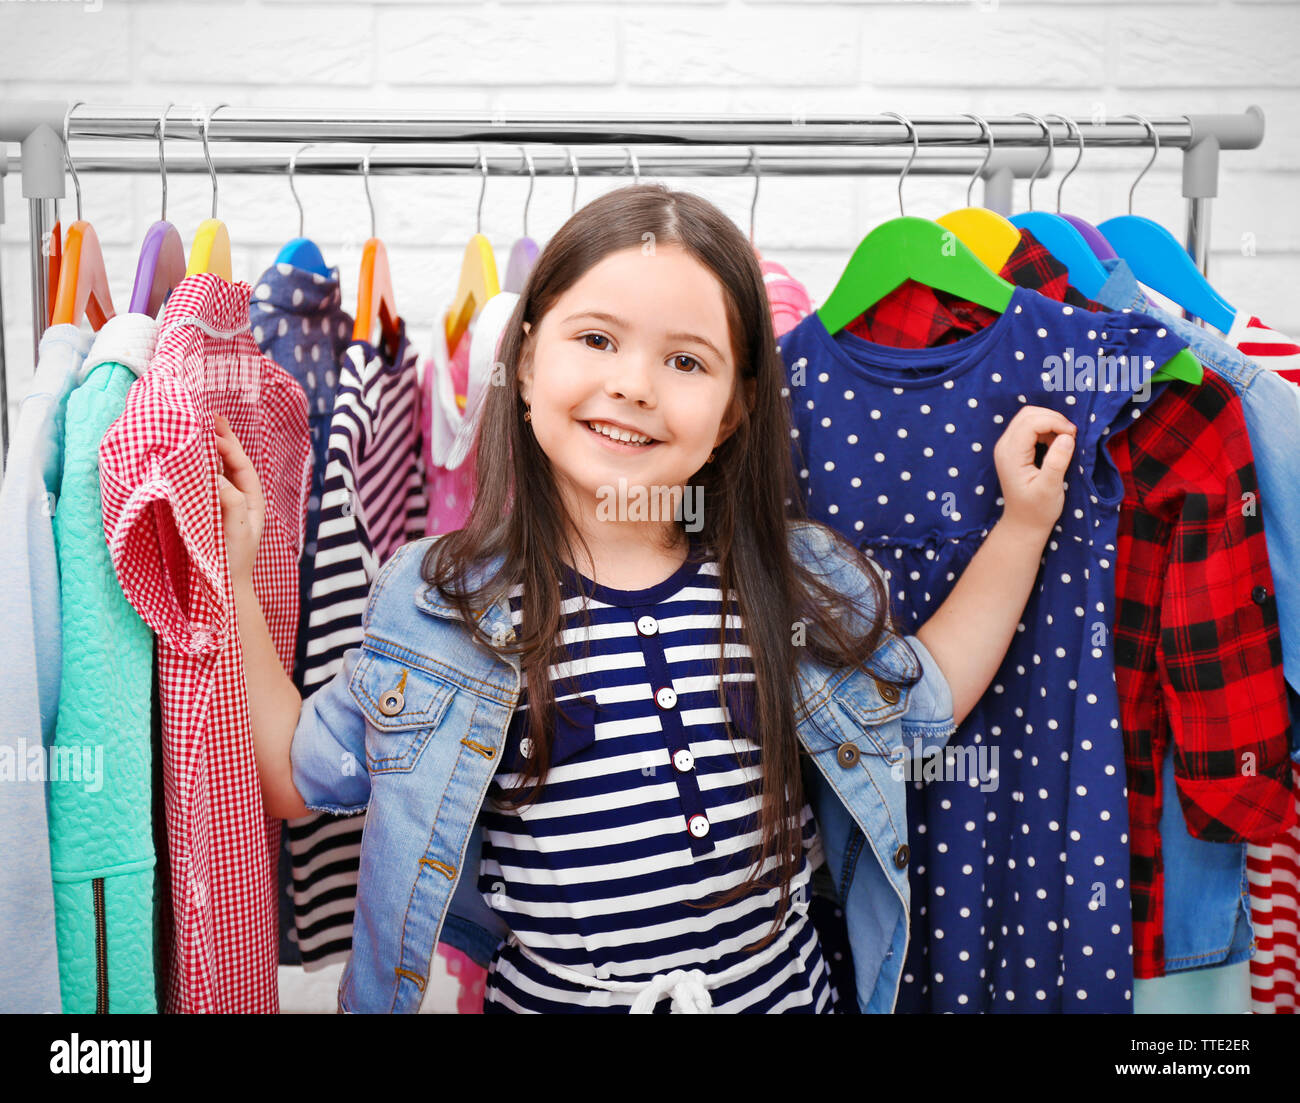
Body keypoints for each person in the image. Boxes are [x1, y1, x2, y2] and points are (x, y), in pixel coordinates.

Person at [216, 183, 1078, 1014]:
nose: (634, 383)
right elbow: (295, 774)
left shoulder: (790, 587)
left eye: (684, 359)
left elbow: (921, 707)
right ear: (520, 363)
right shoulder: (443, 609)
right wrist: (240, 576)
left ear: (736, 409)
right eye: (596, 339)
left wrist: (1024, 526)